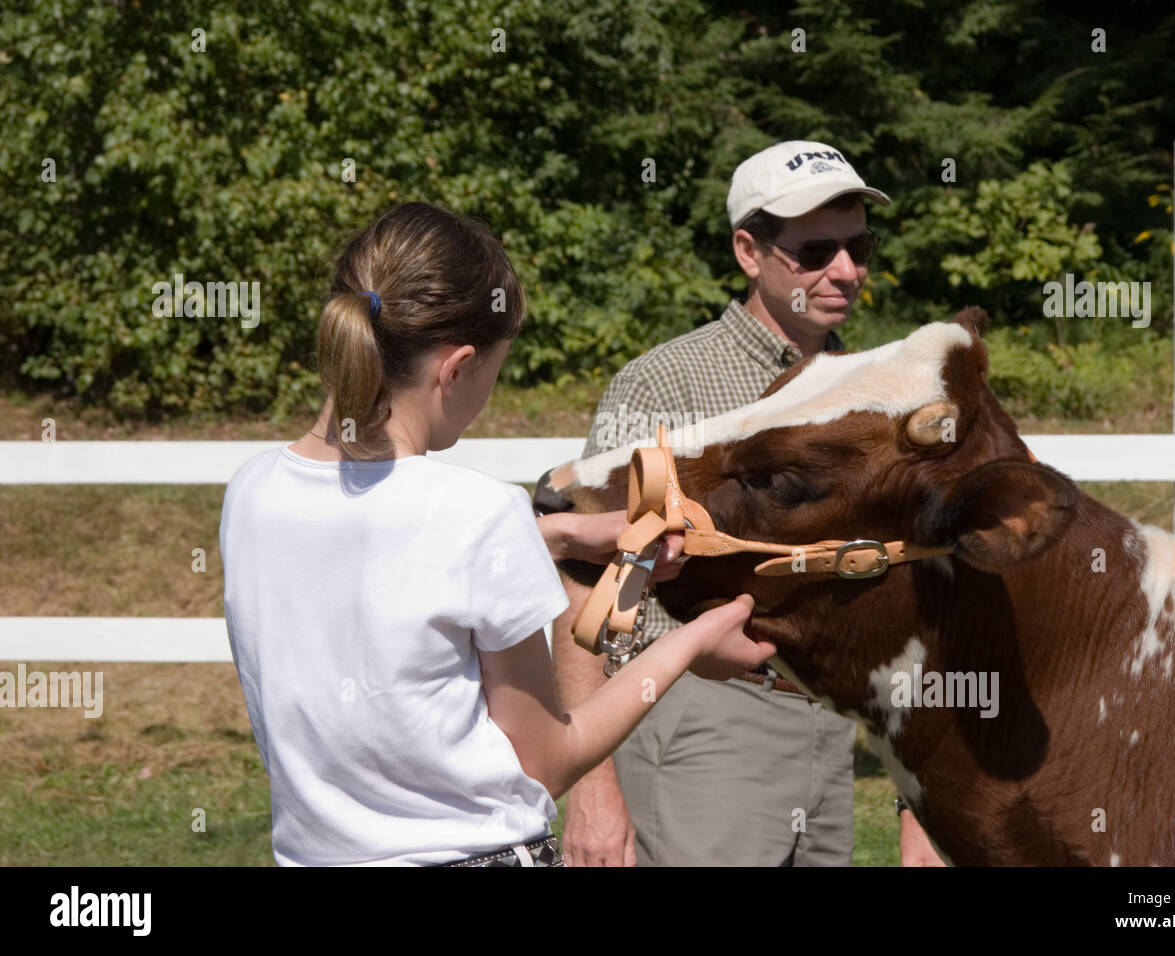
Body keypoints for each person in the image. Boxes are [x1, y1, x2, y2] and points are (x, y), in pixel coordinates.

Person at [218, 201, 775, 866]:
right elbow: (546, 762)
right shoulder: (480, 513)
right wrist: (689, 644)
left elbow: (384, 559)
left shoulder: (250, 492)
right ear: (456, 369)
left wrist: (561, 535)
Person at [555, 140, 945, 866]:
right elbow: (590, 589)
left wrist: (914, 793)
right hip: (698, 722)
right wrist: (592, 784)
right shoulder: (664, 388)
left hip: (831, 725)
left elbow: (906, 598)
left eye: (859, 245)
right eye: (816, 249)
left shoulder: (873, 390)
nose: (847, 270)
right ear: (748, 250)